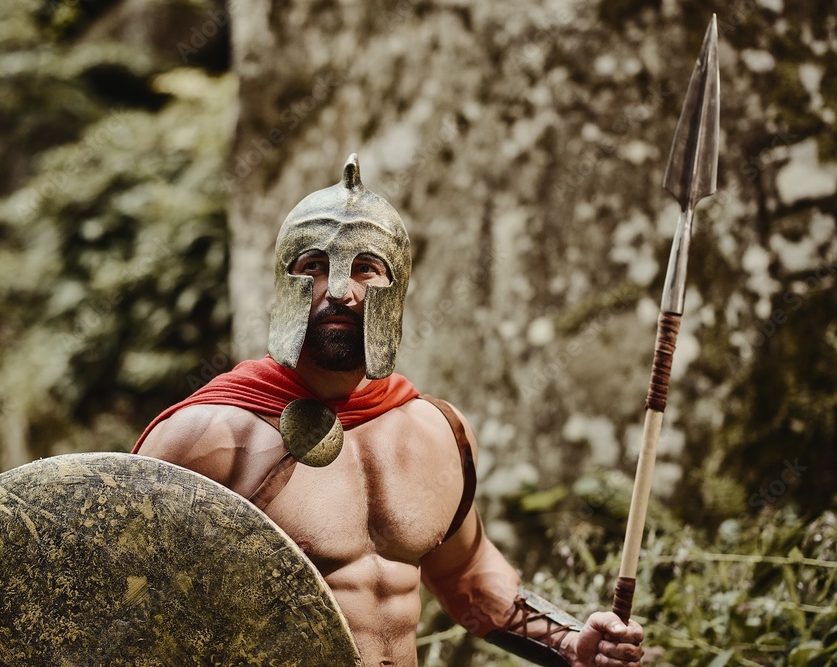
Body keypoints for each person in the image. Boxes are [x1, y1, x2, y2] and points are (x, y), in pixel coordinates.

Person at [134, 154, 644, 667]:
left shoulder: (435, 433)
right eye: (313, 266)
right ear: (282, 283)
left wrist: (569, 641)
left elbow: (468, 579)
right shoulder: (204, 440)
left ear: (395, 289)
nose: (340, 290)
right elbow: (119, 617)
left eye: (366, 268)